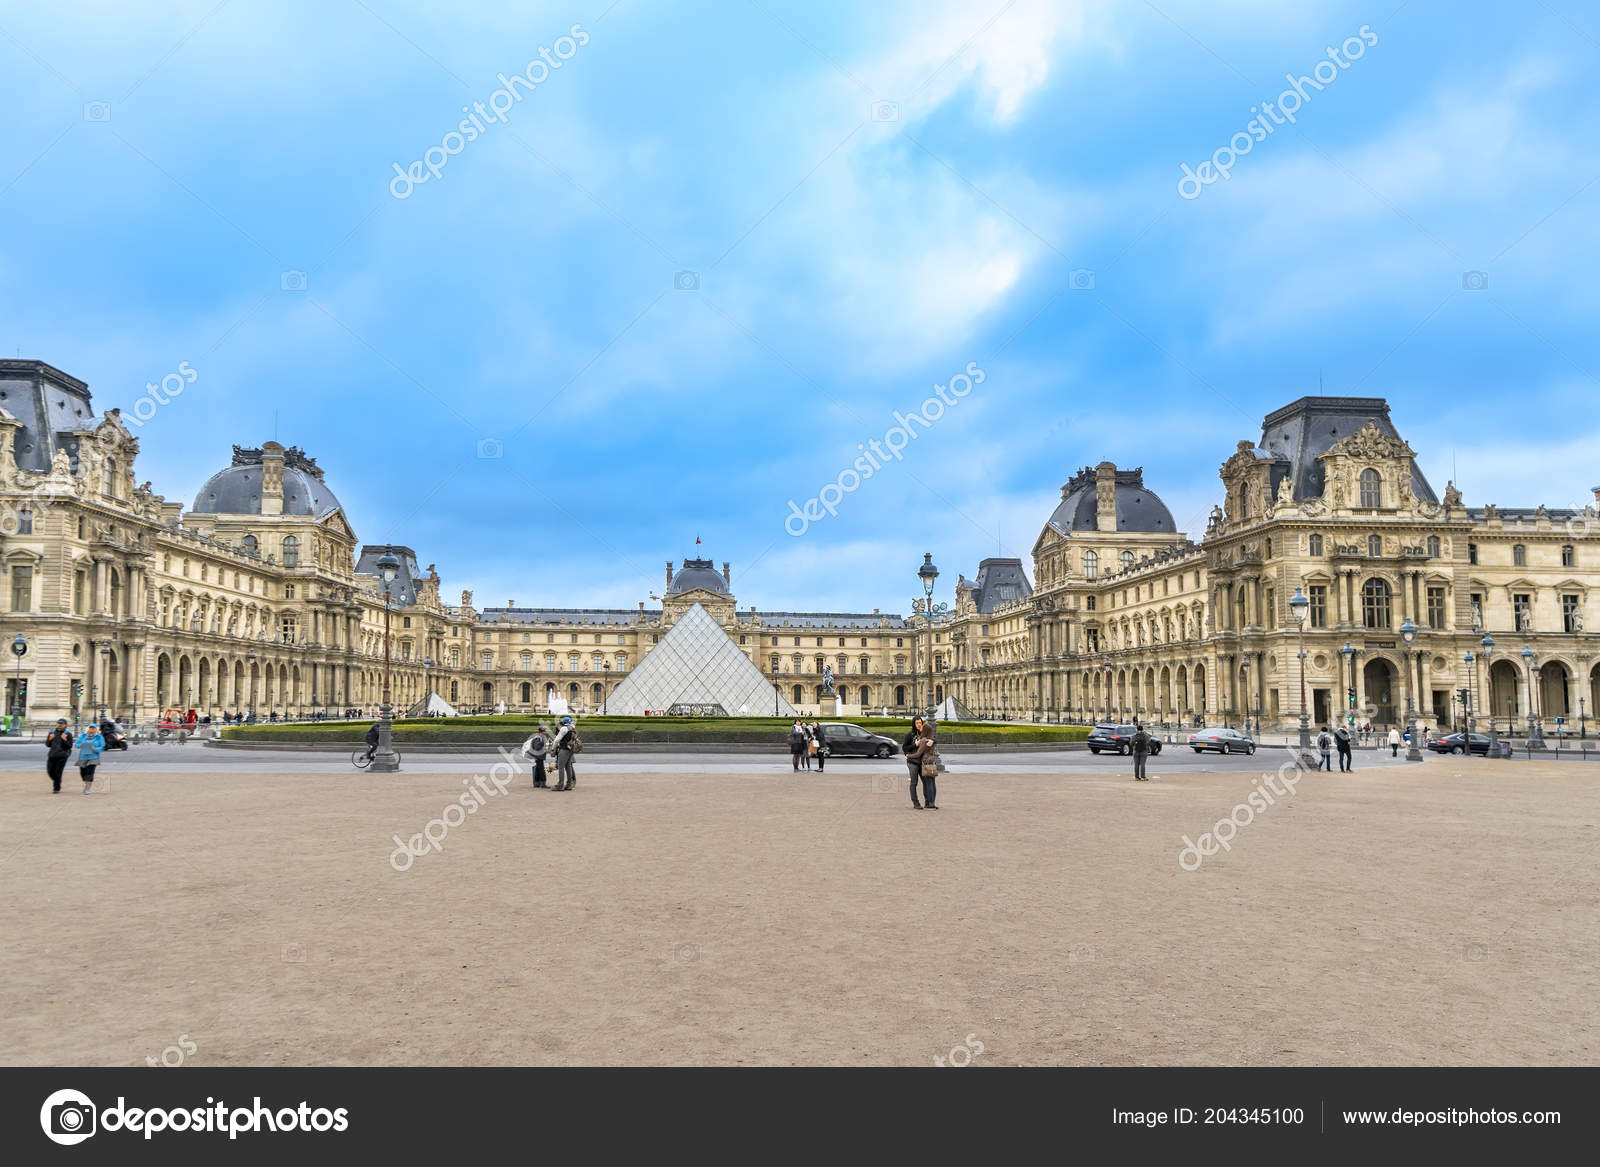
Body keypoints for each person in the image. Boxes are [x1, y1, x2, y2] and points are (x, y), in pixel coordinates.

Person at [906, 721, 938, 809]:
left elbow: (918, 754)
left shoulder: (924, 740)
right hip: (932, 761)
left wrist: (909, 756)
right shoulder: (931, 739)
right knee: (932, 783)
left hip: (925, 762)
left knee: (928, 783)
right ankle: (932, 802)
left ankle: (930, 803)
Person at [75, 722, 105, 794]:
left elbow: (102, 747)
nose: (91, 729)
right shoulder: (83, 736)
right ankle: (86, 784)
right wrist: (80, 745)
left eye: (93, 728)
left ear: (96, 729)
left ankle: (88, 788)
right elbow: (76, 744)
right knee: (83, 773)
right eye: (90, 728)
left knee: (90, 772)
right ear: (88, 729)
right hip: (83, 756)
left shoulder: (99, 737)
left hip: (93, 757)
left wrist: (94, 748)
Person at [45, 718, 73, 793]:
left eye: (62, 723)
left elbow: (69, 746)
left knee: (58, 772)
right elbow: (47, 744)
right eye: (58, 723)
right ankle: (57, 781)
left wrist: (64, 740)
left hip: (62, 756)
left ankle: (56, 788)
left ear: (65, 725)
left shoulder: (68, 734)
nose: (60, 725)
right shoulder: (52, 733)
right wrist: (50, 739)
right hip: (52, 755)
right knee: (50, 771)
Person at [551, 716, 578, 790]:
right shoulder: (572, 728)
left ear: (563, 722)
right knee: (568, 767)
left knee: (561, 767)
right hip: (571, 750)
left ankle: (560, 785)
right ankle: (569, 784)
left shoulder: (564, 728)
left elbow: (557, 740)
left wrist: (553, 749)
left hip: (564, 749)